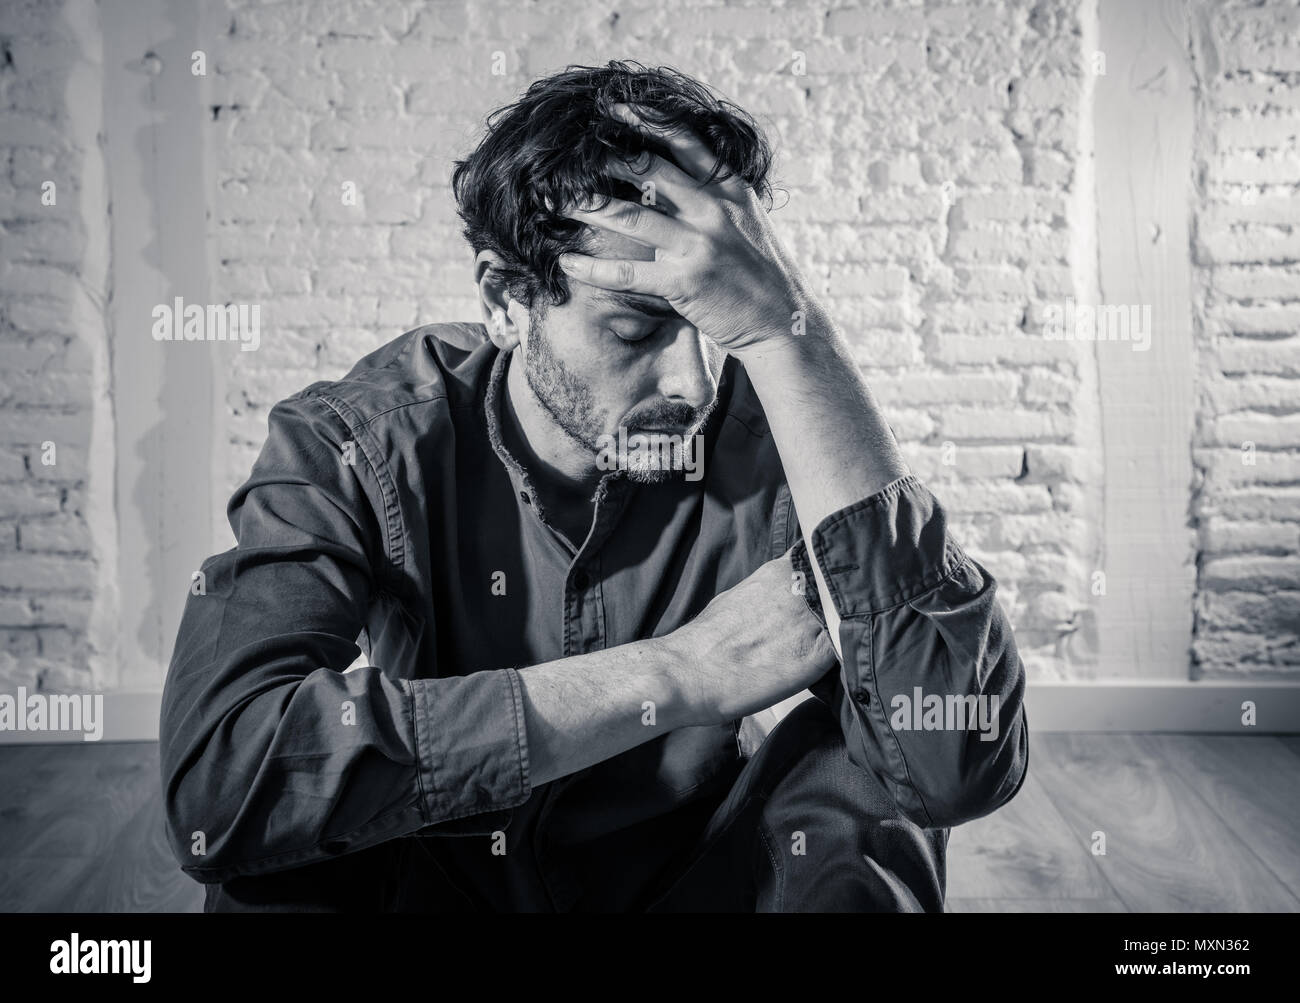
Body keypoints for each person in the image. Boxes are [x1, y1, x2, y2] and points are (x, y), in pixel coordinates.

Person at [159, 60, 1029, 912]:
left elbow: (952, 763)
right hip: (437, 884)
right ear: (507, 299)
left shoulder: (772, 441)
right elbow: (218, 788)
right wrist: (677, 672)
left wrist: (789, 335)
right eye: (635, 327)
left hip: (694, 884)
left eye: (715, 322)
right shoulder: (360, 439)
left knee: (861, 763)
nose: (692, 384)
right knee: (292, 830)